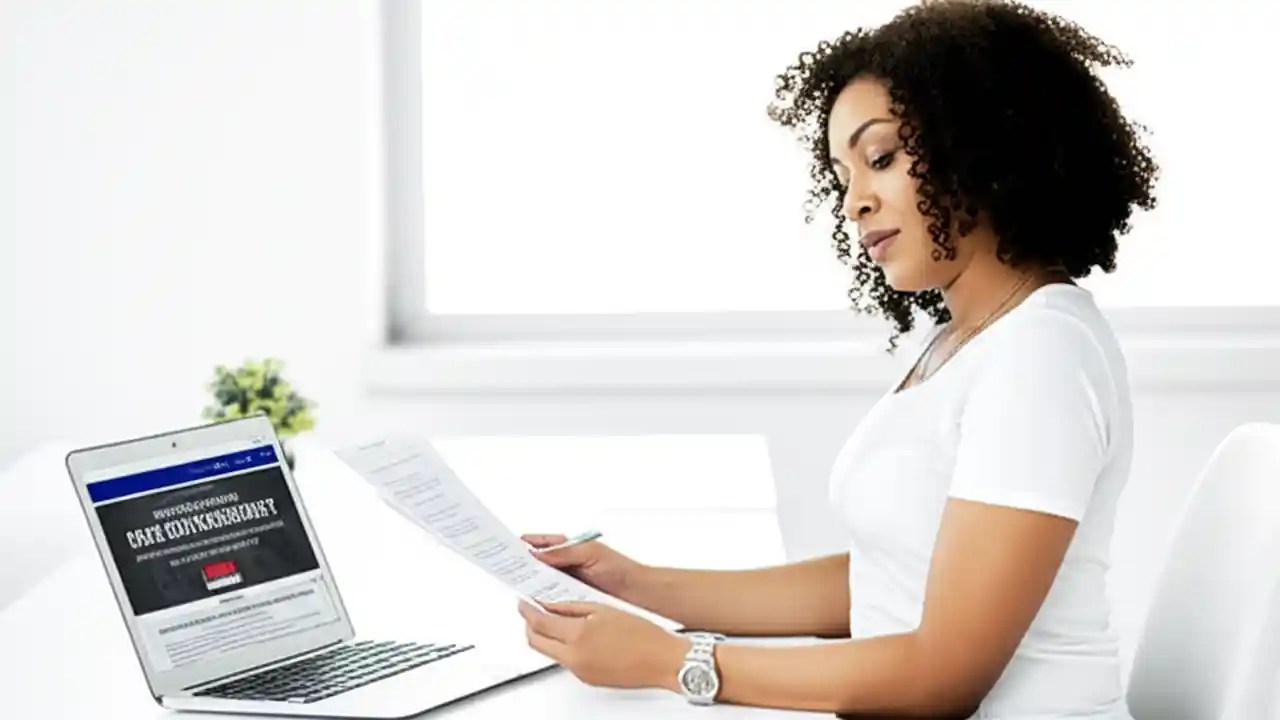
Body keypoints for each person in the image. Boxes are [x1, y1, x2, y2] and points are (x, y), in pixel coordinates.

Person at [515, 0, 1157, 716]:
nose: (854, 203)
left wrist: (675, 663)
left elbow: (943, 676)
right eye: (843, 174)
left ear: (982, 145)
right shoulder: (968, 340)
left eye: (880, 158)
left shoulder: (1041, 356)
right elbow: (884, 582)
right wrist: (638, 584)